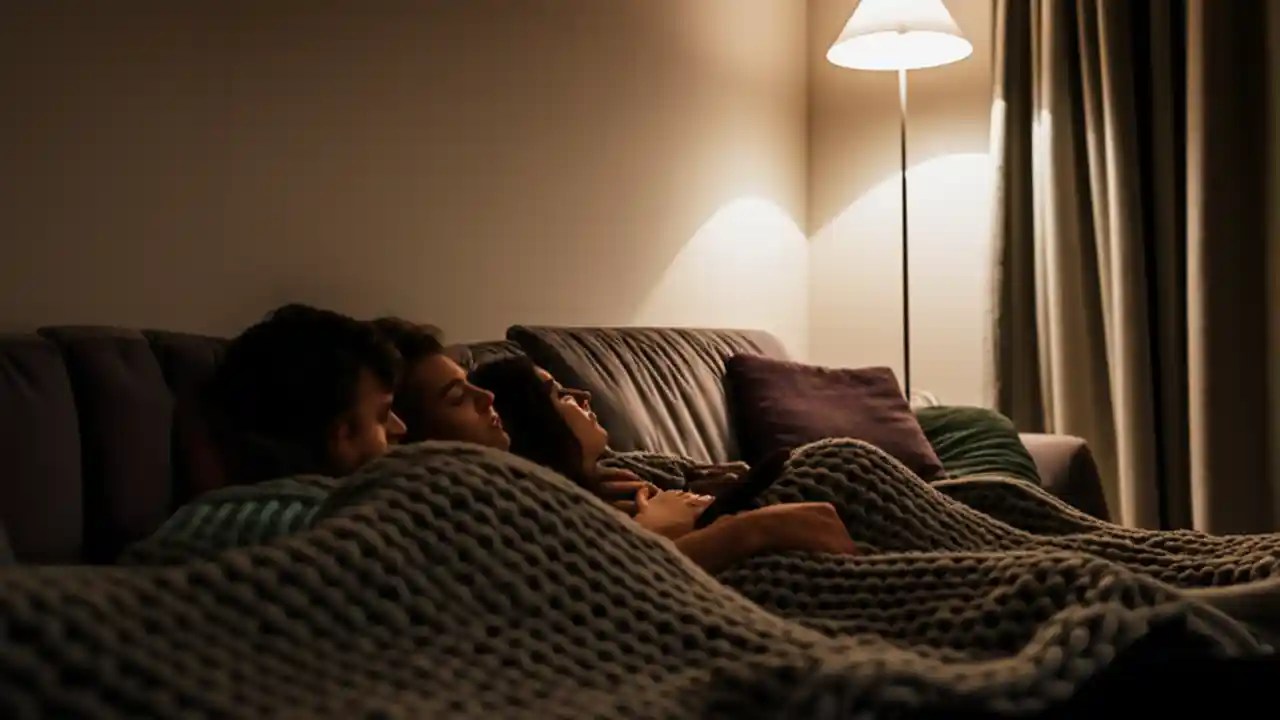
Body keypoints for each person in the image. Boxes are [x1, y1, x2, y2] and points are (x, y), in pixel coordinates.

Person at [465, 355, 859, 572]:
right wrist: (664, 523)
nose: (583, 395)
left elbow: (716, 476)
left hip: (814, 519)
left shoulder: (623, 471)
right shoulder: (547, 518)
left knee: (840, 460)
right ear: (534, 422)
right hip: (767, 565)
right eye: (559, 394)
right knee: (838, 461)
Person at [122, 304, 410, 563]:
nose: (401, 428)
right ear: (342, 435)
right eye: (382, 415)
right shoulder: (374, 532)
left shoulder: (180, 530)